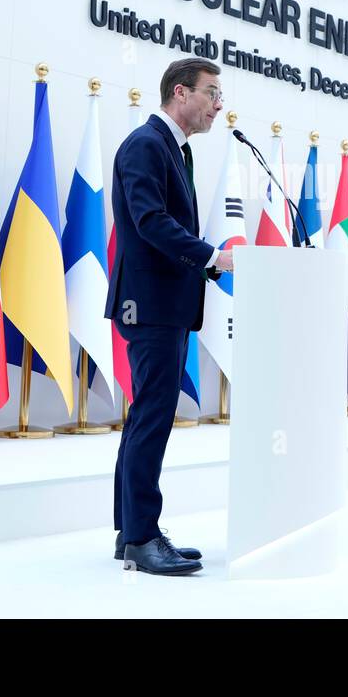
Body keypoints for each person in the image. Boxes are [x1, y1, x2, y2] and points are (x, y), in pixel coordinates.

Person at [105, 57, 233, 575]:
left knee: (146, 416)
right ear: (180, 93)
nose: (219, 106)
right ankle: (141, 538)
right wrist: (210, 256)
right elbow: (149, 220)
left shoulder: (173, 150)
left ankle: (131, 532)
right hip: (150, 305)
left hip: (166, 305)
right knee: (153, 417)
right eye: (211, 93)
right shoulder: (146, 145)